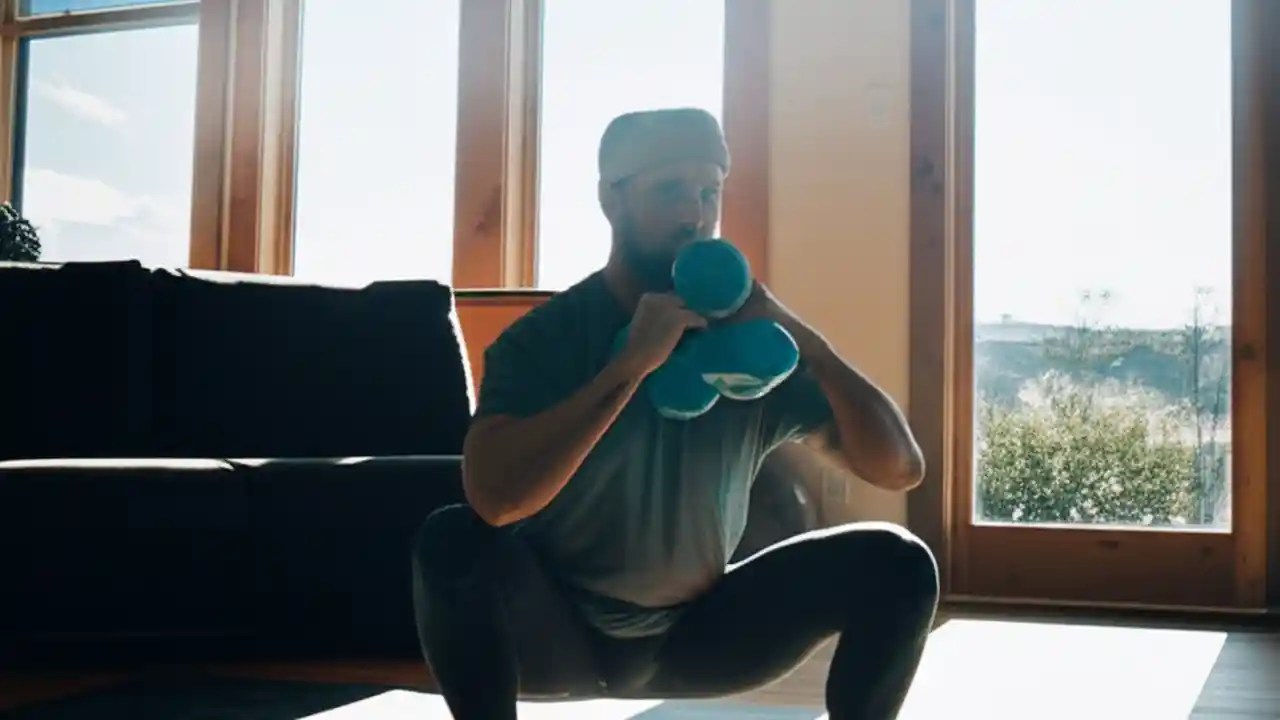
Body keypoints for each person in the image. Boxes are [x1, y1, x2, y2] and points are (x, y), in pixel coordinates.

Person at [411, 107, 938, 720]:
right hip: (556, 633)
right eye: (669, 190)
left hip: (699, 636)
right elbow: (495, 500)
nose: (695, 214)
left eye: (709, 192)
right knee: (449, 540)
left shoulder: (746, 344)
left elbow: (900, 468)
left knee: (899, 563)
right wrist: (629, 368)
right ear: (611, 198)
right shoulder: (546, 340)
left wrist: (807, 341)